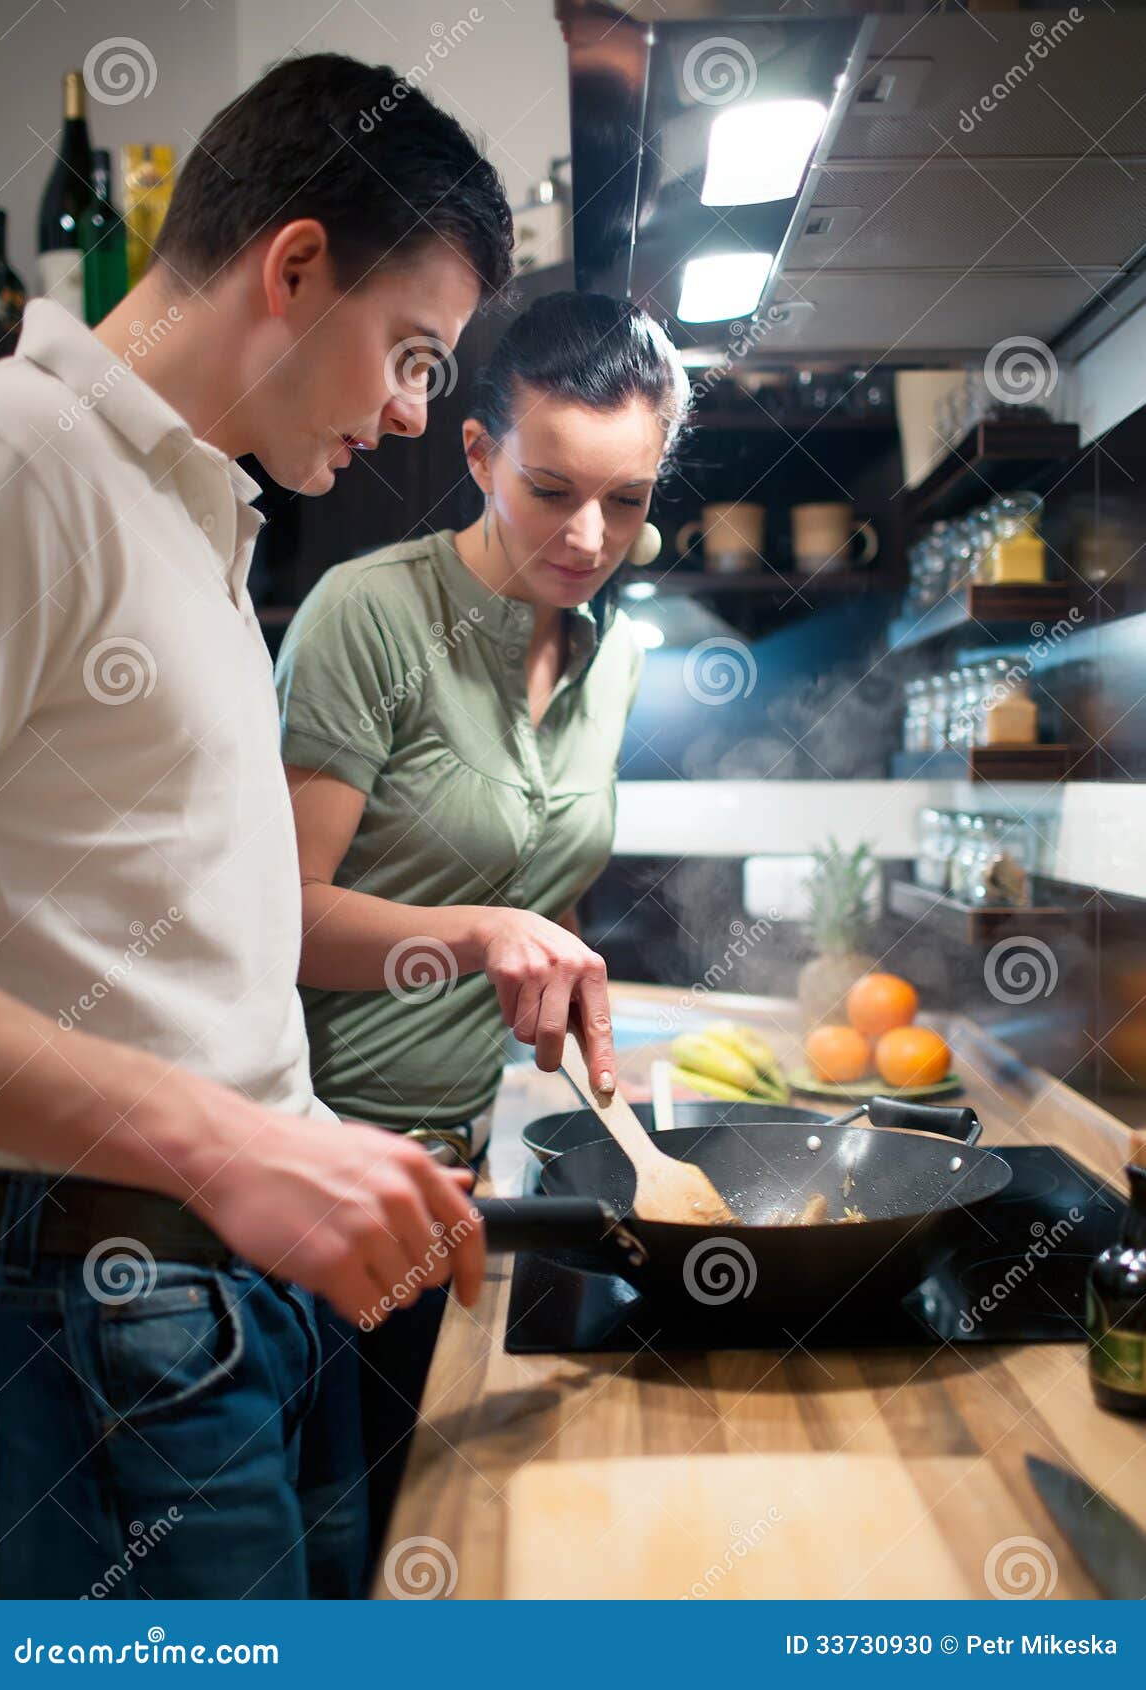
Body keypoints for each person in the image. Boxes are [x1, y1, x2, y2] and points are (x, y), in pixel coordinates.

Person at [0, 53, 515, 1600]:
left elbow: (170, 938)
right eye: (411, 353)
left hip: (236, 1295)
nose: (414, 415)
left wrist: (299, 1137)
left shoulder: (192, 507)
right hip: (104, 1298)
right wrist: (224, 1145)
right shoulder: (24, 461)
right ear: (294, 266)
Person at [274, 291, 690, 1517]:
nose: (589, 534)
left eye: (628, 496)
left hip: (462, 1177)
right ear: (475, 452)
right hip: (318, 1174)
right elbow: (279, 919)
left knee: (439, 1531)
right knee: (334, 1550)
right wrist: (483, 933)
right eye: (550, 487)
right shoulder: (369, 616)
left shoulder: (615, 647)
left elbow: (532, 888)